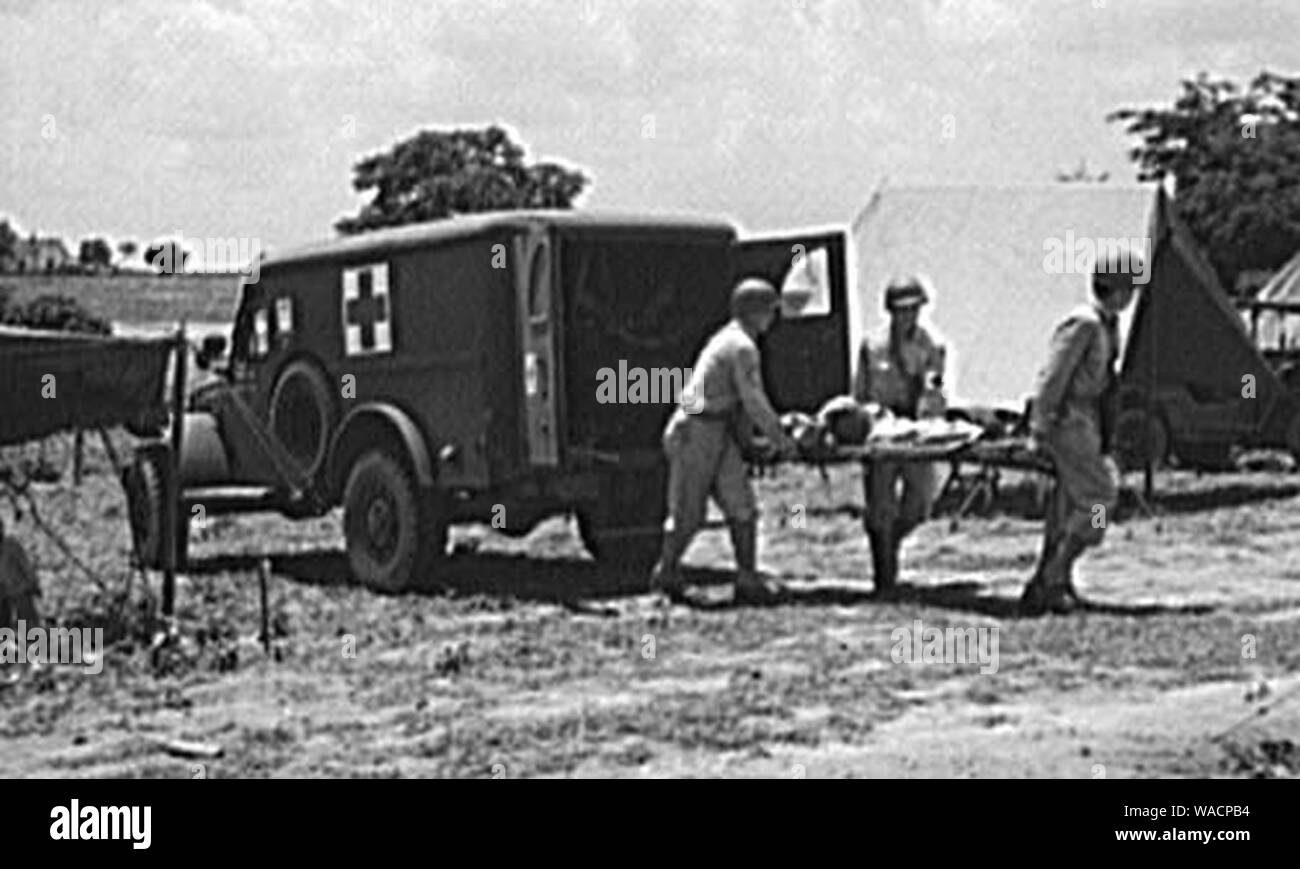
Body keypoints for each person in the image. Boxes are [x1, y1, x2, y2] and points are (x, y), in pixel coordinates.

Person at [649, 277, 796, 605]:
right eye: (769, 311)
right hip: (695, 429)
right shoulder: (741, 346)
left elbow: (738, 404)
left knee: (742, 506)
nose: (772, 318)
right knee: (688, 514)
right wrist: (780, 438)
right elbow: (753, 400)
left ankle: (747, 577)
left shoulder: (731, 340)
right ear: (755, 312)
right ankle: (666, 574)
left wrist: (749, 442)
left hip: (716, 428)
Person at [1019, 252, 1141, 615]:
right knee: (1101, 499)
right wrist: (1039, 428)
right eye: (1130, 286)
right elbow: (1053, 378)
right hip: (1068, 421)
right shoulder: (1084, 324)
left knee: (1069, 505)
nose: (1133, 293)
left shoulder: (1108, 325)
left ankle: (1053, 580)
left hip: (1087, 420)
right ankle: (1053, 575)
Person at [852, 276, 947, 597]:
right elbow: (860, 394)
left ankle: (891, 543)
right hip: (880, 429)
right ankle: (884, 580)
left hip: (914, 429)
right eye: (902, 309)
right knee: (880, 506)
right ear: (890, 310)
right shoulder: (872, 345)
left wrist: (929, 411)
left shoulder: (931, 346)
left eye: (914, 308)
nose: (909, 315)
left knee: (921, 502)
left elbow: (934, 392)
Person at [0, 515, 41, 630]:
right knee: (6, 624)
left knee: (29, 622)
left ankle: (38, 643)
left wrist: (33, 582)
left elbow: (25, 564)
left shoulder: (11, 544)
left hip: (20, 589)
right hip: (4, 593)